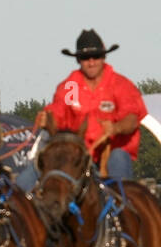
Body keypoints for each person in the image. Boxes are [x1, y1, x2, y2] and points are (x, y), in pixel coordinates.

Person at [17, 29, 147, 191]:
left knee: (118, 158)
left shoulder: (120, 85)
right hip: (76, 154)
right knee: (30, 176)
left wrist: (116, 128)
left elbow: (132, 119)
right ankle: (10, 209)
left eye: (96, 56)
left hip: (110, 153)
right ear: (78, 59)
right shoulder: (70, 86)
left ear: (104, 57)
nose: (91, 62)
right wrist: (47, 119)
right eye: (86, 58)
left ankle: (120, 210)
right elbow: (58, 112)